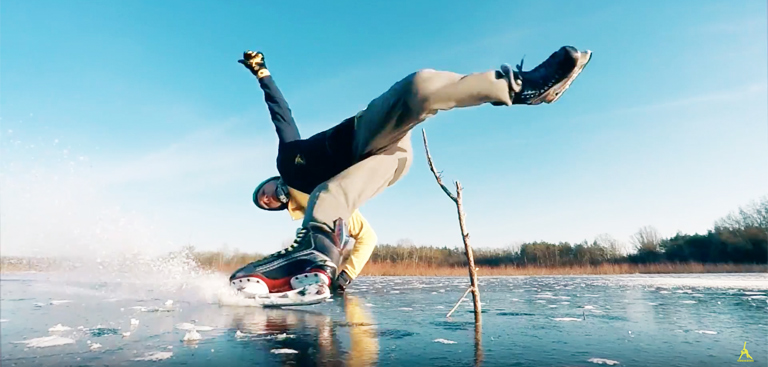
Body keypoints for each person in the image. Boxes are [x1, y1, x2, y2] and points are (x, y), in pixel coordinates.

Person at [229, 46, 592, 296]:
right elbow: (367, 237)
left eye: (264, 192)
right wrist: (344, 279)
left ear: (271, 180)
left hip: (363, 133)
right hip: (389, 162)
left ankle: (523, 86)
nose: (269, 198)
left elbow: (281, 114)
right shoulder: (313, 207)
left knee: (418, 87)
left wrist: (263, 74)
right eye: (269, 204)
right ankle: (316, 265)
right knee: (326, 201)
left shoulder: (287, 157)